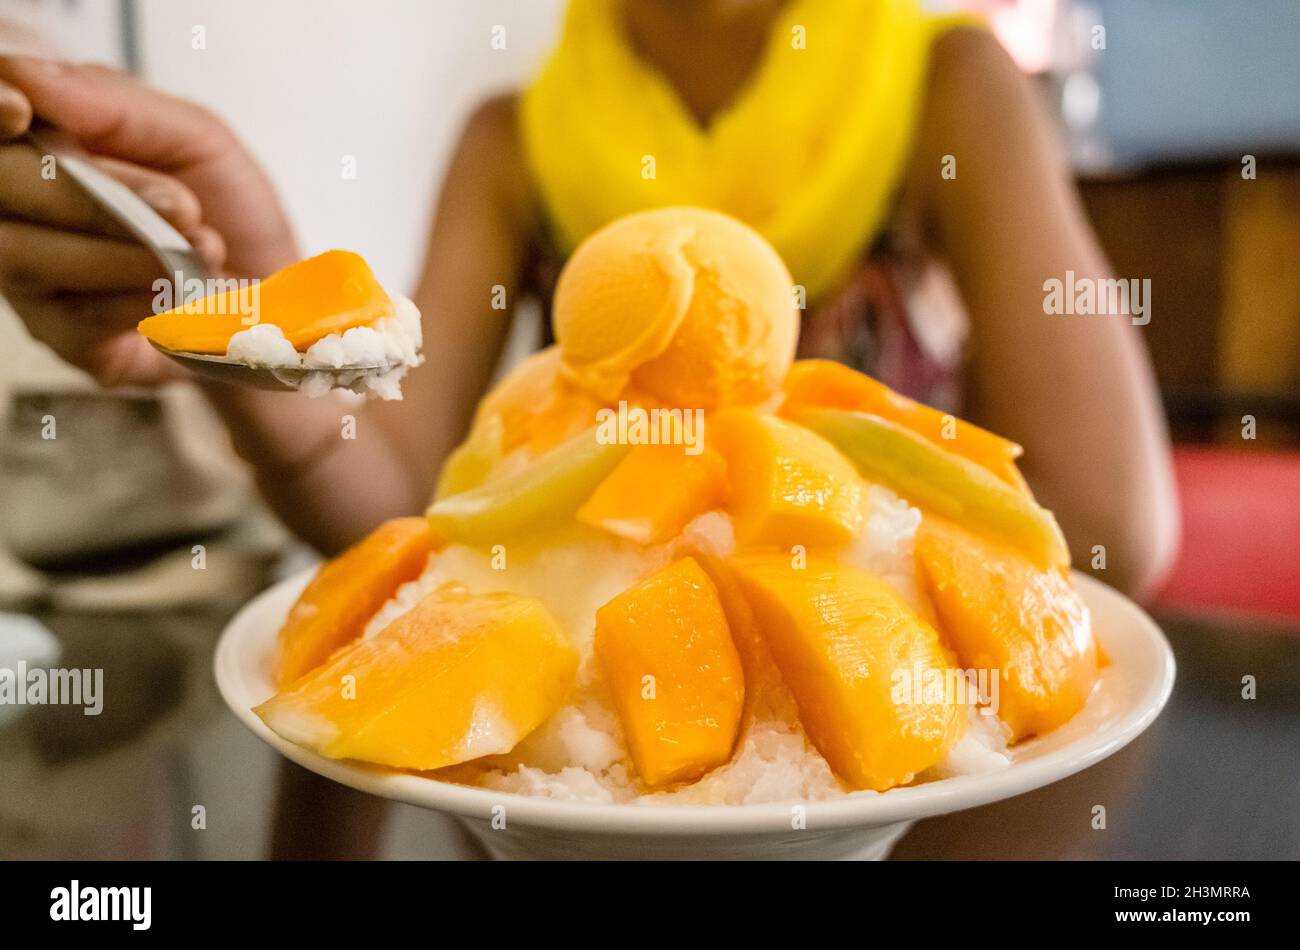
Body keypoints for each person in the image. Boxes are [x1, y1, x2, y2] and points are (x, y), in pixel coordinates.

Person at [0, 0, 1179, 856]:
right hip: (562, 781)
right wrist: (252, 302)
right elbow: (409, 507)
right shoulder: (515, 136)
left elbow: (1107, 533)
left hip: (919, 794)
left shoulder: (943, 78)